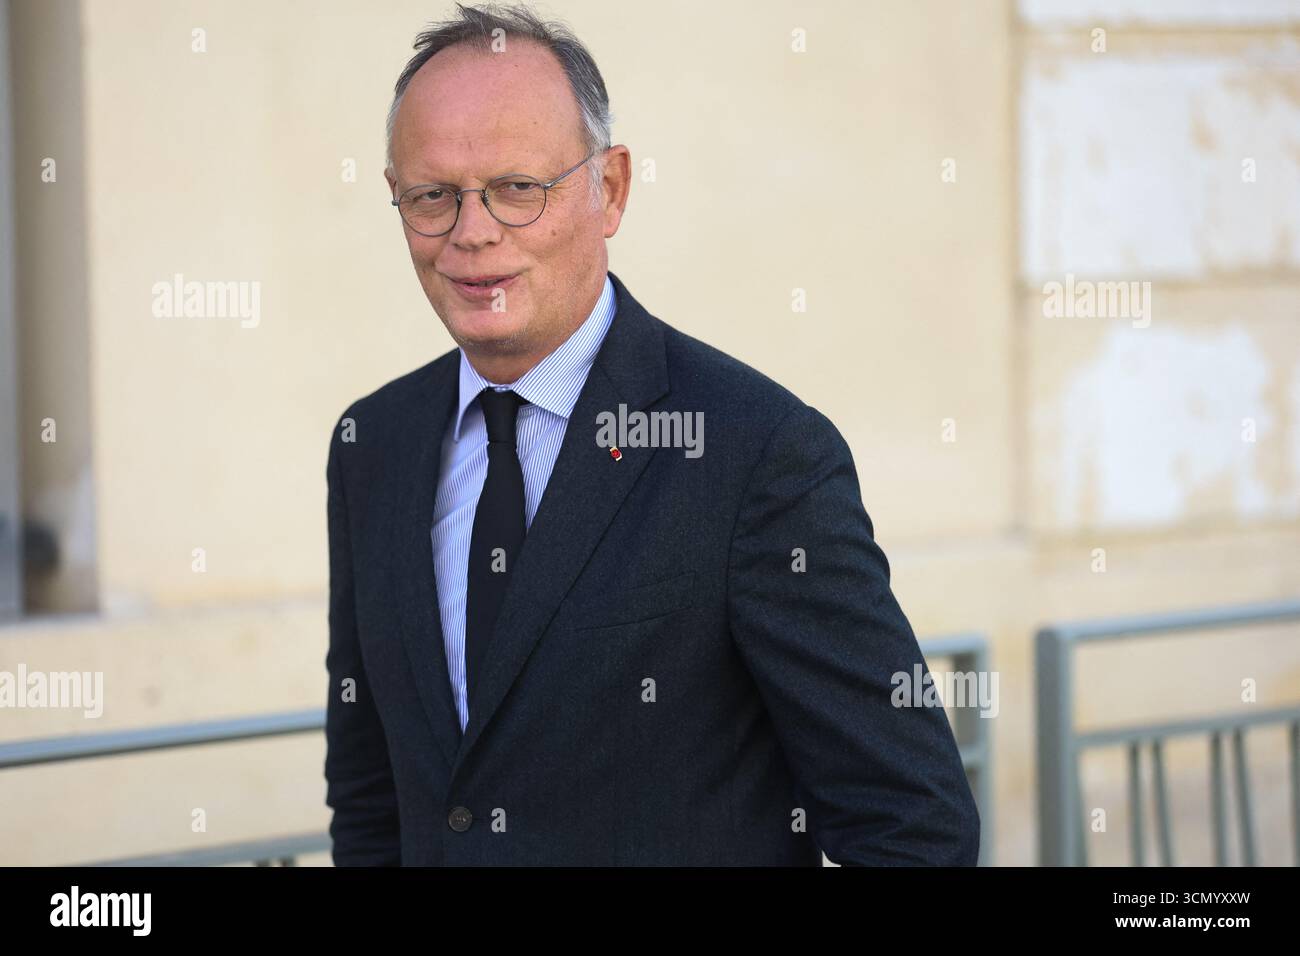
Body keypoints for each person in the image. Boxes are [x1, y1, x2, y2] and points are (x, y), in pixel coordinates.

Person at [324, 2, 979, 866]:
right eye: (431, 196)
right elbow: (373, 796)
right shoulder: (373, 444)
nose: (472, 232)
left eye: (519, 189)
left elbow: (911, 823)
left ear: (612, 189)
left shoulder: (757, 453)